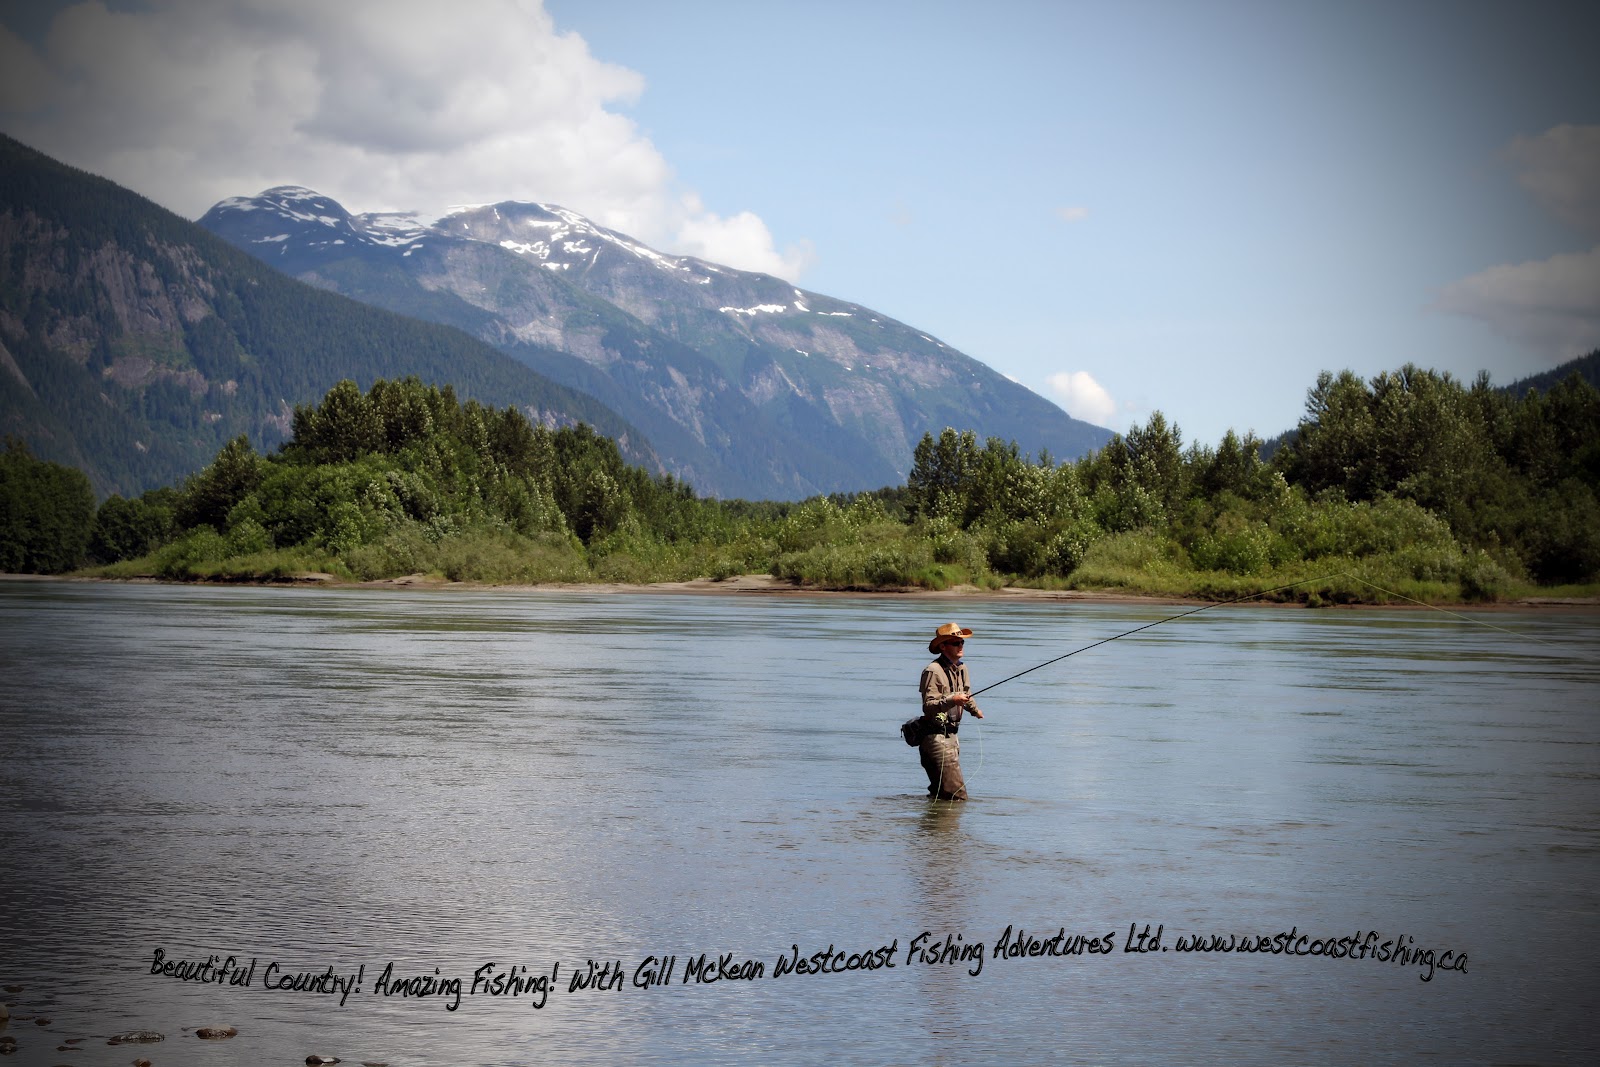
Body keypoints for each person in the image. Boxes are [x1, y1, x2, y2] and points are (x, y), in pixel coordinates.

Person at [917, 622, 984, 800]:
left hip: (952, 737)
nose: (960, 646)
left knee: (941, 795)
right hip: (935, 738)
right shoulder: (933, 671)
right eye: (955, 643)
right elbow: (928, 706)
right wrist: (952, 700)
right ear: (943, 646)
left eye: (962, 642)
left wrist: (975, 710)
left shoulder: (962, 669)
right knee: (957, 797)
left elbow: (966, 694)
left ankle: (934, 819)